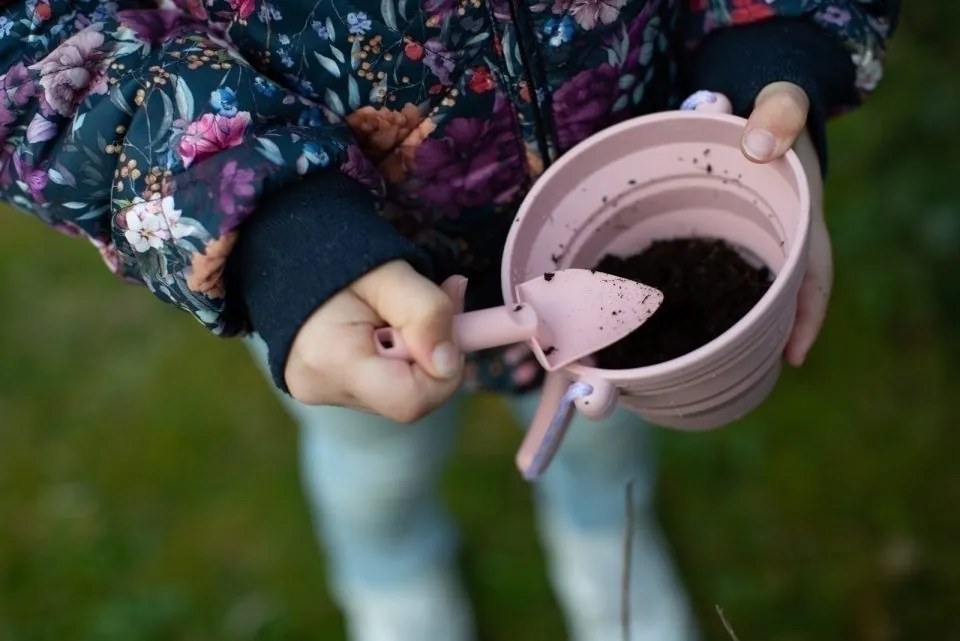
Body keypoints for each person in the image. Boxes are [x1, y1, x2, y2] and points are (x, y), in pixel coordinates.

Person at [0, 0, 897, 639]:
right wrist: (281, 235)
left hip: (622, 191)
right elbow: (41, 41)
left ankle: (604, 542)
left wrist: (769, 47)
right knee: (373, 462)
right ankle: (391, 568)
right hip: (342, 277)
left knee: (605, 437)